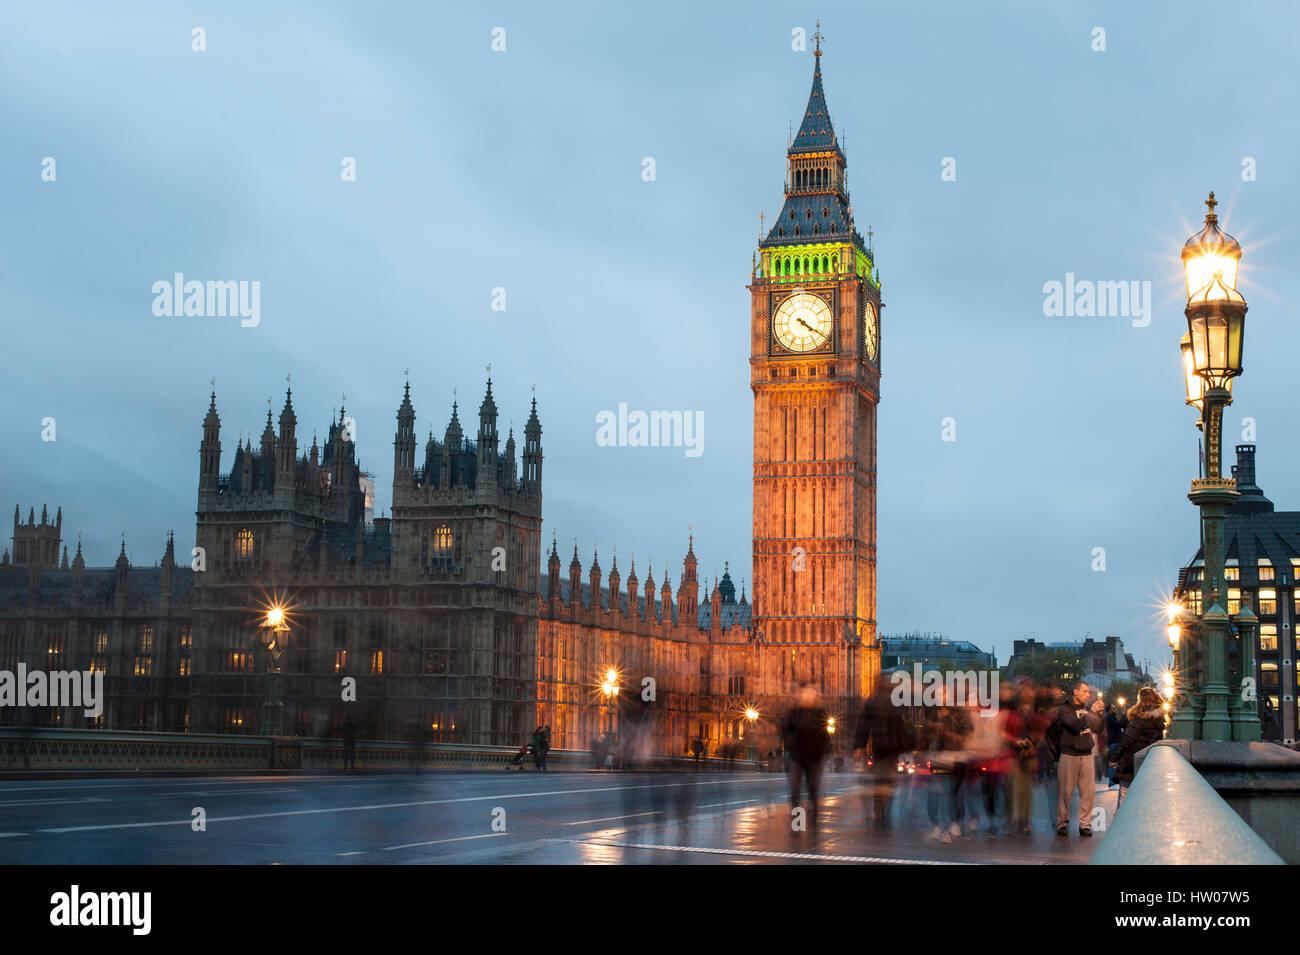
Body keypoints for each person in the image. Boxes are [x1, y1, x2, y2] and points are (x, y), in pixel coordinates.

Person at [853, 682, 914, 829]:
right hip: (892, 749)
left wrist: (859, 747)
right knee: (889, 780)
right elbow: (901, 729)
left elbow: (863, 726)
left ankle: (878, 812)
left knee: (879, 780)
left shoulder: (872, 703)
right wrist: (905, 747)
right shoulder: (895, 705)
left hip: (879, 748)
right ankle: (886, 811)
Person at [1055, 681, 1104, 836]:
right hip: (1069, 754)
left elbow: (1098, 728)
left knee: (1088, 792)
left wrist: (1099, 714)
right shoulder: (1064, 708)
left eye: (1088, 692)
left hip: (1086, 753)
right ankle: (1062, 822)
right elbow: (1074, 725)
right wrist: (1090, 713)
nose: (1088, 695)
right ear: (1076, 691)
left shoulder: (1086, 709)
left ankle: (1085, 824)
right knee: (1065, 791)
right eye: (1084, 691)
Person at [782, 684, 831, 828]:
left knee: (812, 787)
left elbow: (825, 736)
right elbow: (785, 729)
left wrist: (823, 751)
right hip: (798, 755)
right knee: (795, 787)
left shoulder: (819, 714)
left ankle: (813, 813)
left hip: (813, 756)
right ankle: (797, 817)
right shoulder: (795, 712)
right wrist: (789, 743)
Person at [1109, 688, 1167, 805]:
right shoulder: (1160, 722)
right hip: (1147, 763)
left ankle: (1122, 823)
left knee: (1124, 798)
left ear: (1140, 701)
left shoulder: (1139, 720)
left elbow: (1126, 740)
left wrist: (1112, 758)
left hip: (1131, 763)